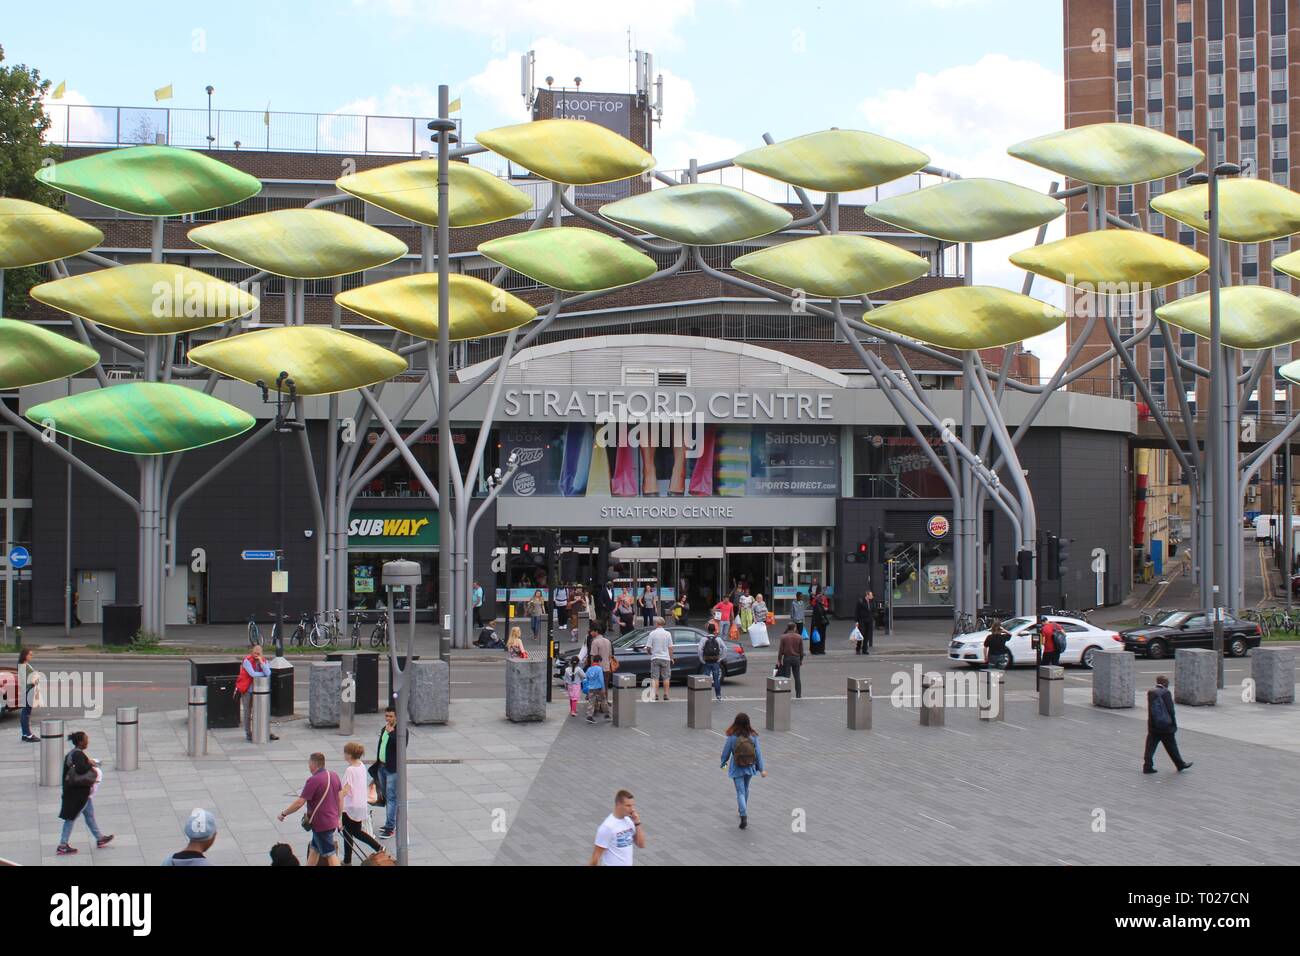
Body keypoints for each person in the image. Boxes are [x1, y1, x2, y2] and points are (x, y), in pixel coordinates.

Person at [279, 752, 342, 866]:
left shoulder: (313, 780)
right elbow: (339, 799)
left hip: (321, 824)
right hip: (331, 820)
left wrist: (284, 813)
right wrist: (338, 818)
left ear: (313, 764)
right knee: (314, 849)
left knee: (330, 854)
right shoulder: (334, 775)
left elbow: (299, 803)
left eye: (309, 763)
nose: (308, 765)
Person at [56, 731, 113, 855]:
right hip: (77, 794)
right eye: (86, 739)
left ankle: (99, 838)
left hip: (80, 793)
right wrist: (90, 763)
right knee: (71, 818)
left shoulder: (74, 753)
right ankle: (62, 845)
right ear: (80, 742)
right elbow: (81, 769)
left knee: (89, 815)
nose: (88, 741)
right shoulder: (78, 754)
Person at [720, 712, 767, 830]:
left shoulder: (732, 737)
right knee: (746, 788)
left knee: (740, 791)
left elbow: (725, 754)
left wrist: (723, 765)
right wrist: (761, 770)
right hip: (750, 766)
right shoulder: (753, 736)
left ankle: (743, 814)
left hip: (737, 767)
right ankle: (743, 808)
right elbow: (758, 754)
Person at [339, 741, 383, 865]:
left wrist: (339, 796)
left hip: (350, 807)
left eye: (345, 752)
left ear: (349, 754)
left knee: (353, 832)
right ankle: (347, 860)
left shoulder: (350, 770)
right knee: (350, 832)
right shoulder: (361, 765)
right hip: (359, 804)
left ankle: (378, 847)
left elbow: (345, 790)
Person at [1144, 675, 1193, 774]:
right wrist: (1173, 723)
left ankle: (1147, 766)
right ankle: (1180, 764)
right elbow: (1170, 710)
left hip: (1153, 725)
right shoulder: (1165, 693)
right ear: (1165, 683)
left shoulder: (1151, 692)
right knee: (1171, 746)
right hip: (1166, 726)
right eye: (1168, 682)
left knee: (1150, 746)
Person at [588, 789, 644, 866]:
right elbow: (595, 857)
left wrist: (637, 823)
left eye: (632, 805)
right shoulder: (607, 827)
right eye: (628, 805)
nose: (632, 809)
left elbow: (641, 844)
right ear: (618, 804)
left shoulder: (629, 821)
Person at [236, 644, 277, 743]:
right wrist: (263, 674)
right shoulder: (247, 661)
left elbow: (268, 673)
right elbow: (253, 674)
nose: (256, 655)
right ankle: (248, 732)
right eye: (255, 653)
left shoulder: (263, 660)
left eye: (258, 653)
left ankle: (263, 732)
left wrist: (261, 663)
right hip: (247, 690)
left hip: (259, 691)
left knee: (260, 712)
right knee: (247, 711)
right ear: (252, 652)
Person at [375, 708, 404, 838]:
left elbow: (401, 746)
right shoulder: (384, 729)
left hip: (392, 769)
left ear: (396, 717)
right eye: (386, 716)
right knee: (386, 796)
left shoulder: (401, 731)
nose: (388, 719)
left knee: (392, 798)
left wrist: (392, 733)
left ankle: (390, 827)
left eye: (391, 716)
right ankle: (389, 822)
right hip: (382, 767)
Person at [645, 616, 674, 702]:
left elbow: (648, 647)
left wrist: (650, 652)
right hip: (665, 658)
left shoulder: (652, 633)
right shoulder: (668, 634)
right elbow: (670, 648)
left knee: (655, 678)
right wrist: (671, 657)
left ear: (657, 624)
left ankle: (656, 695)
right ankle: (666, 694)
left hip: (655, 657)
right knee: (666, 678)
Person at [699, 618, 725, 701]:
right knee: (716, 679)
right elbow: (725, 648)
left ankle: (705, 695)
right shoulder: (718, 639)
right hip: (715, 661)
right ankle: (718, 696)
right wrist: (721, 658)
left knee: (706, 678)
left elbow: (700, 650)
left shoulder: (704, 639)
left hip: (707, 661)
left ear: (707, 630)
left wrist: (701, 659)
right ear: (715, 630)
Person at [776, 622, 804, 698]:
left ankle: (786, 694)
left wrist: (779, 660)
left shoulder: (784, 637)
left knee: (786, 677)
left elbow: (780, 650)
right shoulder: (799, 637)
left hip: (787, 658)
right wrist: (801, 660)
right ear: (794, 628)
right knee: (797, 677)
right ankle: (798, 694)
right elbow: (801, 651)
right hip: (796, 658)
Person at [17, 647, 39, 742]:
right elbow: (29, 681)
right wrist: (35, 679)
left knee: (25, 713)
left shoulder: (25, 665)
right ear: (25, 655)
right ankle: (28, 735)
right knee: (26, 714)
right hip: (28, 691)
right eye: (30, 654)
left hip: (27, 691)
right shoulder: (23, 666)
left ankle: (25, 734)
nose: (31, 656)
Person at [585, 655, 610, 722]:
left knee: (591, 702)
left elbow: (586, 678)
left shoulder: (589, 669)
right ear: (599, 661)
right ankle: (607, 715)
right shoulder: (599, 669)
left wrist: (588, 687)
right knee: (603, 700)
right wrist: (603, 688)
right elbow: (601, 679)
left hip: (591, 688)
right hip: (599, 688)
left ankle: (589, 716)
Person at [589, 628, 614, 692]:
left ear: (596, 631)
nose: (590, 633)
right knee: (605, 685)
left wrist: (592, 668)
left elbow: (593, 656)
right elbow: (610, 655)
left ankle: (598, 701)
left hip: (597, 668)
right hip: (607, 667)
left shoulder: (595, 642)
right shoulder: (608, 641)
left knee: (597, 686)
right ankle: (605, 700)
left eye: (591, 631)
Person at [854, 590, 876, 655]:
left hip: (869, 621)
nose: (872, 596)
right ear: (867, 595)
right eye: (871, 595)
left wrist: (874, 616)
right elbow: (856, 611)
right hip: (862, 620)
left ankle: (864, 649)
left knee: (867, 635)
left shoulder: (872, 602)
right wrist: (856, 621)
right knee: (861, 635)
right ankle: (858, 649)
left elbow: (873, 610)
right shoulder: (861, 601)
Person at [810, 589, 831, 655]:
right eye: (821, 599)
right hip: (818, 625)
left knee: (821, 637)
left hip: (821, 624)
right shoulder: (817, 606)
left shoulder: (820, 606)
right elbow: (815, 616)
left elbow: (824, 614)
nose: (823, 600)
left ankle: (821, 650)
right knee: (817, 637)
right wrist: (815, 625)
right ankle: (816, 650)